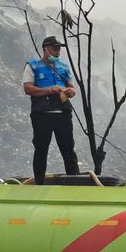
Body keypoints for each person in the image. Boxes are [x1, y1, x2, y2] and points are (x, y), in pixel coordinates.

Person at [22, 36, 79, 184]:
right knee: (41, 149)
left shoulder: (64, 66)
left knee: (68, 149)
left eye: (59, 48)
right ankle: (39, 183)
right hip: (42, 114)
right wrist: (50, 90)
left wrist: (70, 92)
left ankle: (75, 183)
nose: (58, 51)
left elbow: (71, 87)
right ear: (45, 49)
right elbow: (28, 88)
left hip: (63, 114)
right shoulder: (32, 65)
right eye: (55, 48)